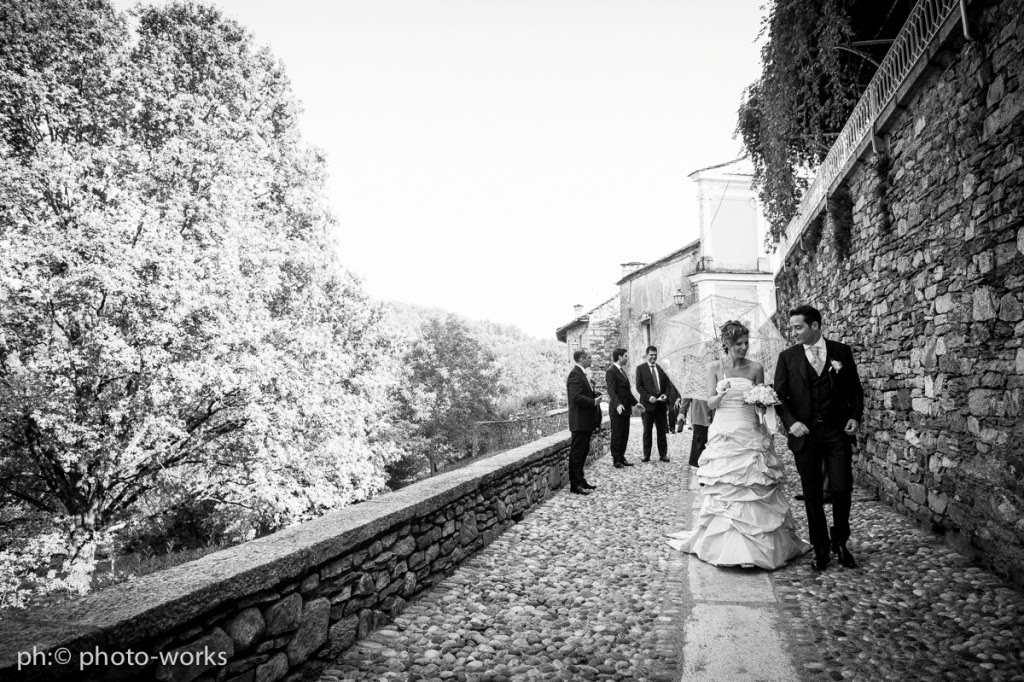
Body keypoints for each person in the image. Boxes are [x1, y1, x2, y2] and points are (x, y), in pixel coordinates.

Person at [667, 320, 810, 569]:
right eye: (738, 344)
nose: (744, 348)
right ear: (727, 344)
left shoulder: (756, 367)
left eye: (746, 343)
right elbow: (710, 403)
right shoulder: (713, 368)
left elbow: (762, 402)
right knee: (726, 487)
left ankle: (758, 547)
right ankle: (726, 546)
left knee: (754, 483)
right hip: (724, 430)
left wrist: (761, 399)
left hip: (749, 429)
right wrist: (719, 395)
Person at [774, 305, 864, 571]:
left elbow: (856, 390)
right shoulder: (787, 357)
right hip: (806, 436)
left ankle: (841, 542)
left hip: (837, 432)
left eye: (798, 327)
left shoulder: (841, 352)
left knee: (842, 488)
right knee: (812, 494)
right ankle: (821, 548)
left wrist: (856, 417)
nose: (794, 332)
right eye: (792, 327)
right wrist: (791, 423)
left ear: (815, 326)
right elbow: (779, 397)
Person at [635, 346, 681, 462]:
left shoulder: (661, 368)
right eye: (651, 355)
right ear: (646, 355)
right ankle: (646, 455)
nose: (653, 357)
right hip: (647, 406)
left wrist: (665, 394)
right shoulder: (640, 368)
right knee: (647, 431)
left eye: (655, 355)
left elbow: (667, 385)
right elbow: (639, 387)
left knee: (661, 431)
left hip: (661, 406)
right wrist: (648, 397)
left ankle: (663, 454)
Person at [566, 349, 603, 496]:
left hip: (586, 421)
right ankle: (575, 485)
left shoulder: (583, 374)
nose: (591, 359)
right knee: (577, 453)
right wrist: (593, 402)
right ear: (582, 359)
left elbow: (584, 393)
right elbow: (576, 397)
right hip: (579, 421)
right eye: (589, 357)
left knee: (583, 452)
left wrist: (595, 394)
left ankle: (581, 480)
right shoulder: (575, 374)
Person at [605, 348, 639, 468]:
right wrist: (617, 404)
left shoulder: (622, 371)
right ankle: (616, 459)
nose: (627, 358)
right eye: (625, 356)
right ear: (619, 357)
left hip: (625, 409)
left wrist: (635, 403)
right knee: (617, 434)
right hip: (617, 410)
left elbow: (627, 392)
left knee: (625, 433)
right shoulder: (611, 371)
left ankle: (621, 456)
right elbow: (611, 391)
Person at [679, 398, 713, 467]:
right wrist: (682, 412)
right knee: (700, 443)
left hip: (715, 413)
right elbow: (687, 395)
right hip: (700, 413)